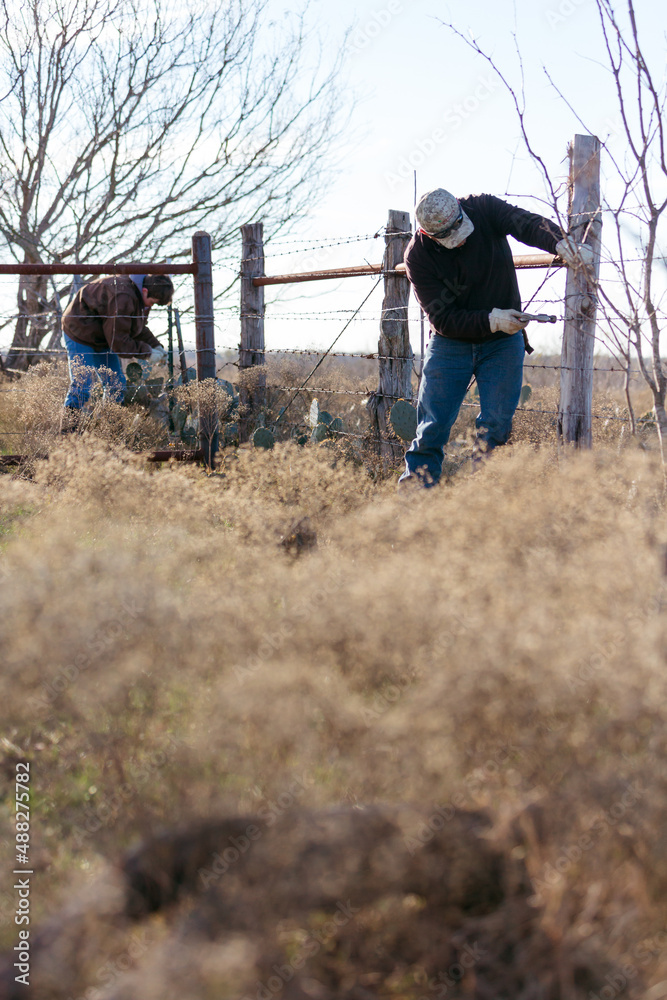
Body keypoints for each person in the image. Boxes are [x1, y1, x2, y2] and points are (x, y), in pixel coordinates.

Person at [399, 188, 594, 486]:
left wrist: (560, 241)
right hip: (450, 343)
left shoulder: (484, 208)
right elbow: (442, 318)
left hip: (502, 343)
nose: (462, 238)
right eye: (451, 237)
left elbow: (524, 223)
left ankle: (481, 500)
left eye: (462, 228)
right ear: (428, 234)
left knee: (496, 427)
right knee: (432, 428)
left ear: (461, 210)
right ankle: (413, 502)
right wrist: (491, 320)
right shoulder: (418, 256)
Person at [60, 273, 173, 430]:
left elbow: (136, 328)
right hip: (79, 331)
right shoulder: (124, 297)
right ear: (145, 291)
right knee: (82, 386)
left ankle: (107, 432)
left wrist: (156, 345)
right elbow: (118, 342)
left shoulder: (139, 297)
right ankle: (67, 437)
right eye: (152, 302)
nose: (151, 306)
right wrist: (147, 353)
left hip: (103, 336)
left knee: (116, 385)